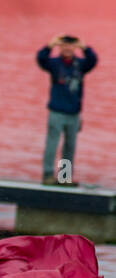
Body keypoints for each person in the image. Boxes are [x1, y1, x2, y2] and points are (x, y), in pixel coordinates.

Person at [37, 34, 98, 185]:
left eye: (71, 45)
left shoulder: (80, 65)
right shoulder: (54, 64)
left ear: (75, 48)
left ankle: (64, 178)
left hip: (73, 113)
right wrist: (50, 45)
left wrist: (84, 47)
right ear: (60, 47)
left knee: (69, 147)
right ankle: (48, 175)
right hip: (56, 111)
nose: (67, 48)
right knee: (52, 143)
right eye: (64, 45)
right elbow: (41, 59)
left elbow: (93, 60)